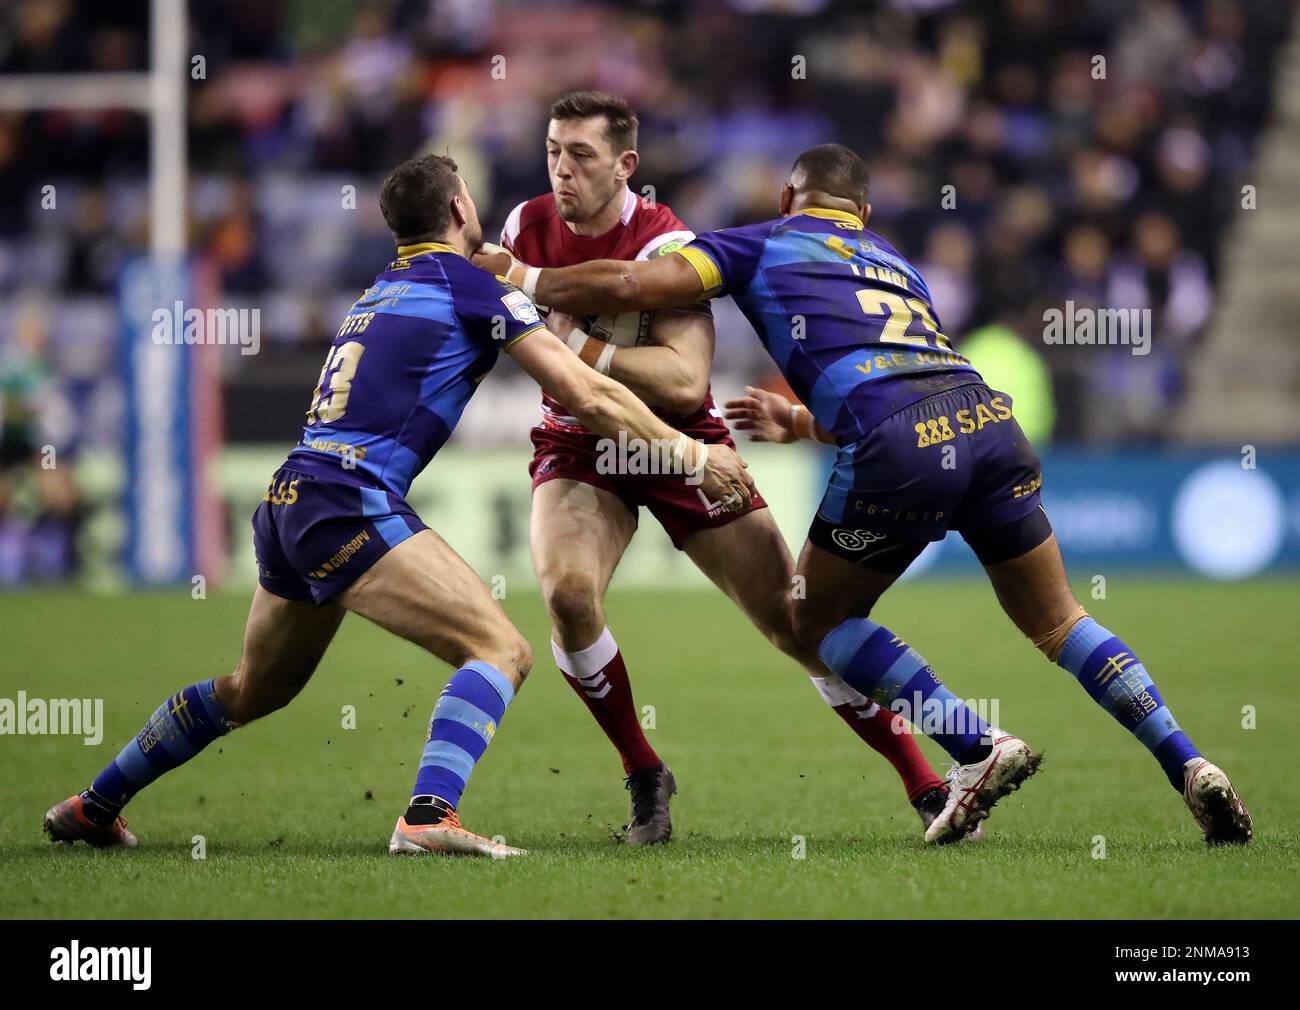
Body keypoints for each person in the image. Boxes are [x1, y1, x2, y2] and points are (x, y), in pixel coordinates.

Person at [476, 143, 1253, 846]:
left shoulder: (761, 243)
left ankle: (976, 747)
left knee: (814, 618)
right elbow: (908, 372)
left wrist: (523, 278)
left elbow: (628, 281)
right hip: (988, 424)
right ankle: (1189, 764)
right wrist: (806, 422)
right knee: (1059, 621)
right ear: (865, 213)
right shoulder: (892, 260)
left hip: (899, 448)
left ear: (787, 200)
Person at [43, 153, 753, 857]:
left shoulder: (381, 286)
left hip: (292, 494)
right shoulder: (469, 284)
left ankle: (95, 803)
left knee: (253, 688)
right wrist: (693, 455)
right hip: (349, 499)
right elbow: (587, 394)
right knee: (499, 648)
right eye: (471, 199)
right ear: (458, 212)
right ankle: (426, 816)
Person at [489, 91, 950, 845]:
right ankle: (645, 773)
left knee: (799, 624)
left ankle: (926, 783)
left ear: (626, 166)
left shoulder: (666, 245)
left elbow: (679, 380)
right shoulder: (523, 227)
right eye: (553, 151)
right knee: (570, 599)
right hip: (579, 443)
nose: (562, 170)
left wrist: (569, 346)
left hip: (684, 445)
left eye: (582, 156)